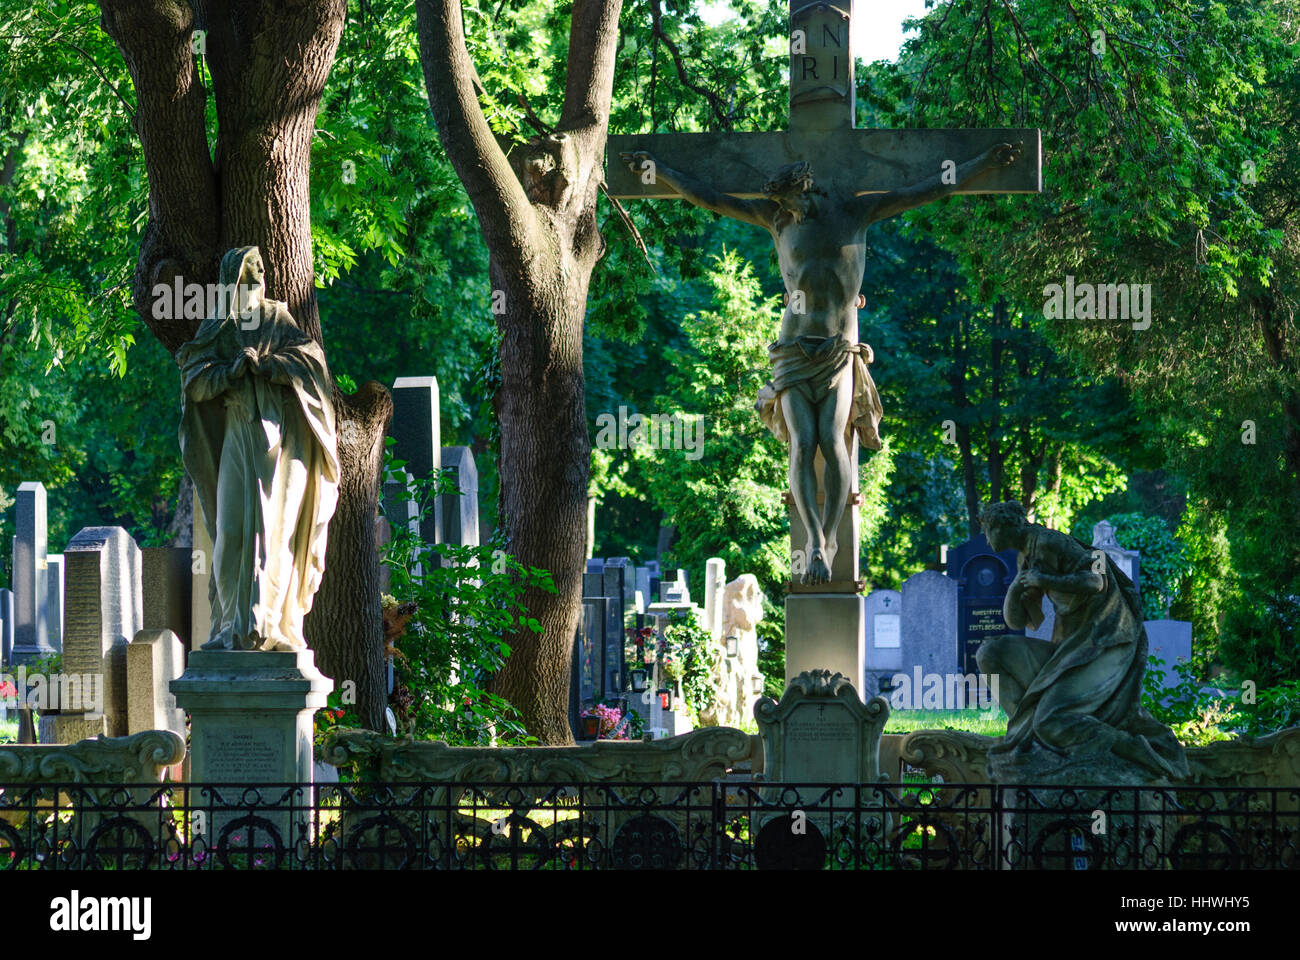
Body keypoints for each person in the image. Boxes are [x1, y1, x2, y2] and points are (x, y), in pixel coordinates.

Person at [621, 144, 1020, 582]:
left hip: (837, 350)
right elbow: (711, 198)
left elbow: (926, 190)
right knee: (802, 443)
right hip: (791, 349)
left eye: (790, 202)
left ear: (806, 190)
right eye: (781, 206)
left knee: (833, 440)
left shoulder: (855, 213)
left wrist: (982, 161)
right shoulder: (777, 220)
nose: (786, 211)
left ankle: (828, 540)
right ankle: (814, 541)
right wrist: (660, 172)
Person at [177, 246, 340, 652]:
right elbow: (194, 378)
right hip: (236, 434)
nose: (261, 272)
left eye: (262, 267)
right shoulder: (221, 326)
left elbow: (312, 362)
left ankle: (272, 628)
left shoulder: (276, 318)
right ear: (233, 275)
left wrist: (270, 366)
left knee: (272, 532)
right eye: (251, 267)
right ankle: (229, 627)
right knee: (230, 530)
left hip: (276, 441)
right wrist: (230, 372)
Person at [976, 501, 1188, 783]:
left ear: (1004, 526)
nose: (987, 540)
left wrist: (1045, 578)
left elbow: (1095, 581)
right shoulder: (1025, 556)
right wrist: (1017, 586)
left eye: (988, 531)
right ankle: (1025, 738)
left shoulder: (1051, 542)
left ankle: (1133, 747)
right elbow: (1018, 621)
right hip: (1071, 647)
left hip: (1104, 642)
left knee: (1052, 720)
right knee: (990, 654)